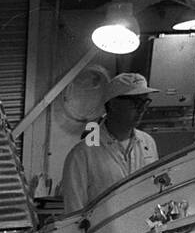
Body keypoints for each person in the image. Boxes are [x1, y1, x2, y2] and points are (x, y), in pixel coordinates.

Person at [61, 71, 159, 218]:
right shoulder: (83, 153)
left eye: (145, 102)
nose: (142, 109)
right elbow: (74, 214)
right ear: (113, 104)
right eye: (136, 102)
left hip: (143, 227)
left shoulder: (148, 143)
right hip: (104, 231)